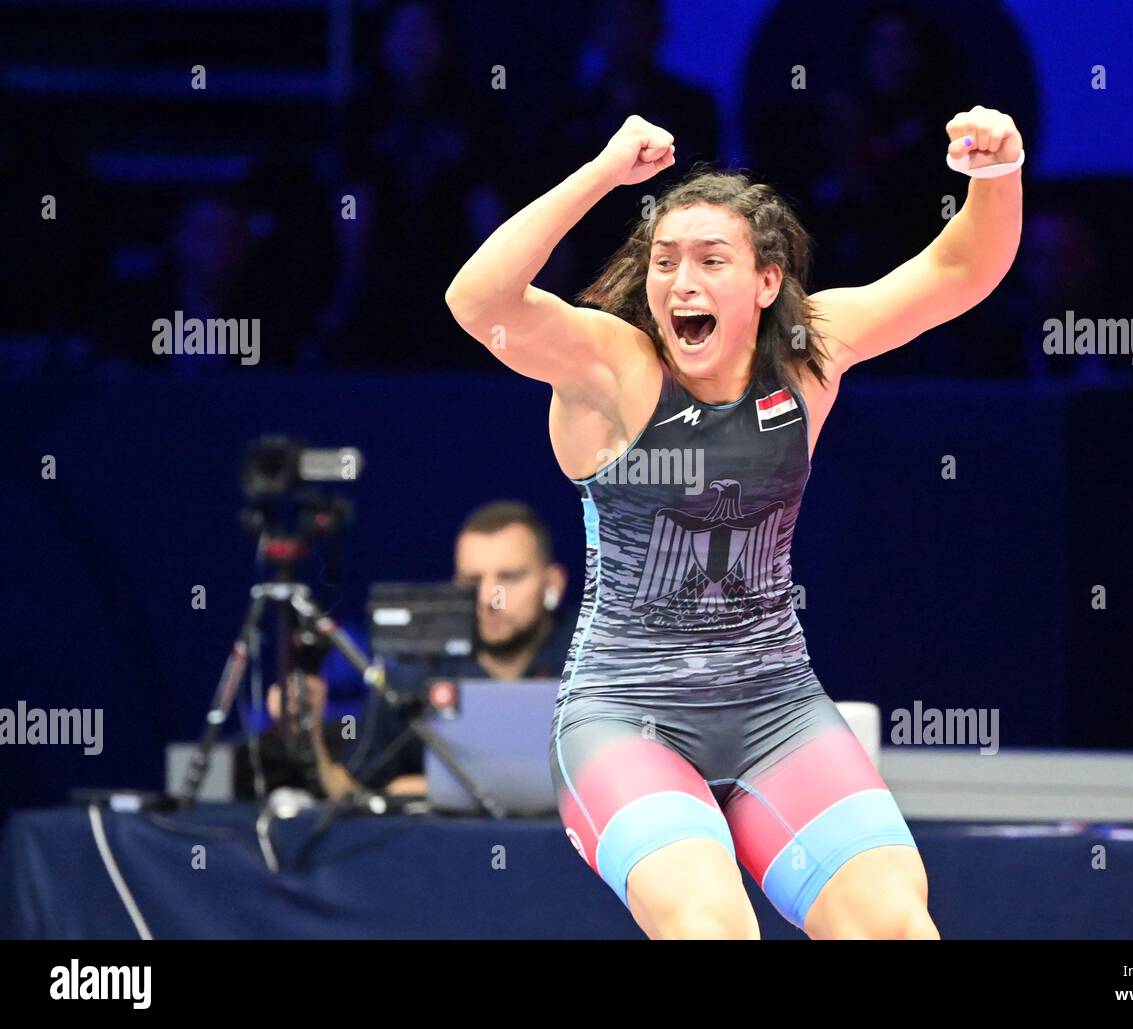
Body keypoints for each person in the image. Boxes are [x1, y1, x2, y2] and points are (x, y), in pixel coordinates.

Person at [446, 110, 1022, 939]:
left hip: (775, 707)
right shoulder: (611, 369)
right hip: (626, 715)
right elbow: (478, 301)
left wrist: (996, 174)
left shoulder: (807, 356)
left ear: (764, 281)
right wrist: (605, 172)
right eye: (665, 261)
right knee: (711, 928)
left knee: (898, 926)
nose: (681, 282)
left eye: (712, 261)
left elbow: (962, 267)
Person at [236, 500, 575, 800]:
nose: (488, 598)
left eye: (510, 577)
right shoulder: (411, 669)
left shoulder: (600, 658)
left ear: (553, 583)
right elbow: (351, 791)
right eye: (472, 582)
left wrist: (419, 787)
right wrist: (311, 739)